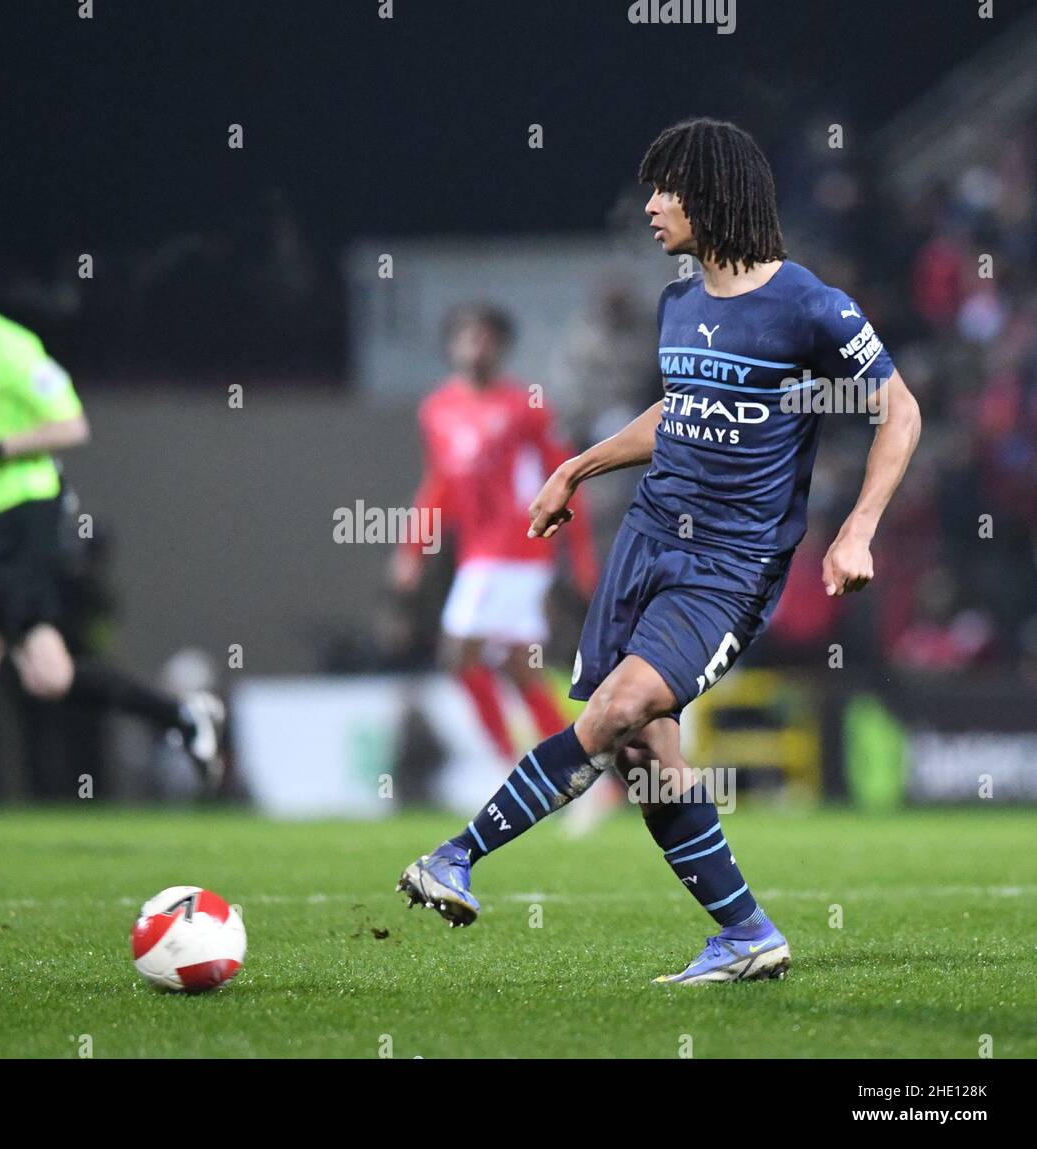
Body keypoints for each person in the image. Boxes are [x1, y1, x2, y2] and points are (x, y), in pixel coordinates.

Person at [398, 118, 922, 985]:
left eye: (664, 190)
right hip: (646, 544)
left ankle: (457, 854)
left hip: (729, 566)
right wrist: (577, 465)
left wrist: (860, 524)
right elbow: (678, 412)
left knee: (611, 714)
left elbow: (898, 410)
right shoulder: (678, 301)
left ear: (712, 196)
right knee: (645, 754)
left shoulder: (807, 304)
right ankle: (747, 933)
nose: (649, 206)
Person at [0, 235, 222, 849]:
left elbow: (72, 424)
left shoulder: (7, 345)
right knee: (49, 675)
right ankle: (179, 715)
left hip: (30, 515)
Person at [394, 304, 599, 762]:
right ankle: (571, 771)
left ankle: (511, 763)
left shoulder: (526, 407)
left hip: (516, 548)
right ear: (451, 345)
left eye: (486, 337)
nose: (476, 346)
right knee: (518, 666)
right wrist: (413, 549)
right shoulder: (437, 410)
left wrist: (581, 556)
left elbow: (565, 479)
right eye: (467, 336)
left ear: (501, 347)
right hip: (477, 554)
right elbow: (440, 486)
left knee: (458, 654)